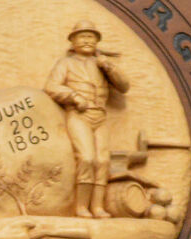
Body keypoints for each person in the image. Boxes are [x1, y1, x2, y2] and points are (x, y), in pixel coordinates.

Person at [44, 19, 129, 218]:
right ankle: (81, 207)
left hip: (100, 116)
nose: (87, 40)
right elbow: (51, 87)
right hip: (79, 115)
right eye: (82, 36)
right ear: (73, 41)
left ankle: (97, 207)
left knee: (103, 161)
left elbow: (124, 86)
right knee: (87, 158)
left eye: (91, 36)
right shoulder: (66, 63)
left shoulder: (102, 64)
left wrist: (108, 66)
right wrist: (73, 96)